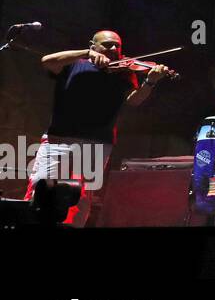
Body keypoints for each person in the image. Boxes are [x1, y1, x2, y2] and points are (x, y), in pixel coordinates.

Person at [26, 29, 176, 226]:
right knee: (42, 187)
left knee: (81, 197)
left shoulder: (124, 71)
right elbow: (47, 60)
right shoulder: (74, 64)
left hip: (98, 143)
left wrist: (149, 81)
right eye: (107, 45)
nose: (113, 49)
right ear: (93, 45)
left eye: (117, 46)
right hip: (59, 139)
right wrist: (85, 54)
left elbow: (134, 101)